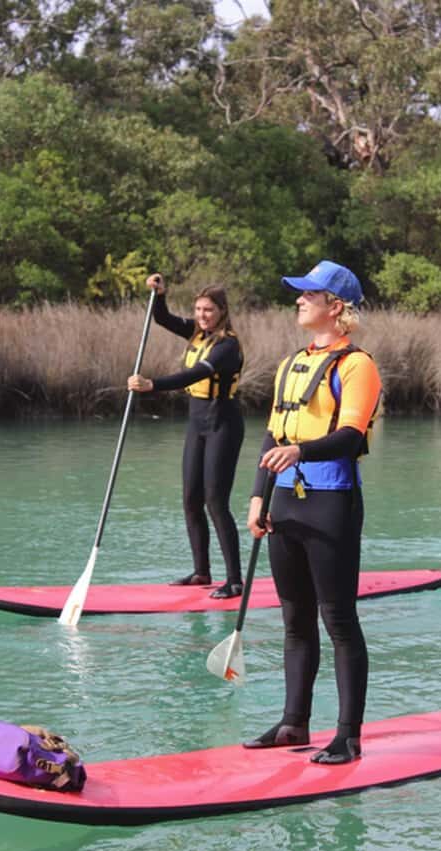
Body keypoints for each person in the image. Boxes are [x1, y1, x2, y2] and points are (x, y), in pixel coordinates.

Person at [244, 260, 382, 764]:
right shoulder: (289, 364)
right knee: (294, 620)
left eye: (309, 294)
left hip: (331, 504)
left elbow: (349, 436)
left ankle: (348, 735)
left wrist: (300, 453)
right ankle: (293, 723)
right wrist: (259, 497)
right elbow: (272, 435)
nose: (298, 300)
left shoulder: (357, 366)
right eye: (299, 293)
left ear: (336, 306)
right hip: (284, 504)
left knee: (338, 619)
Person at [128, 273, 244, 599]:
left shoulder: (227, 346)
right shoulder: (196, 333)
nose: (201, 315)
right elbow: (162, 317)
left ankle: (235, 580)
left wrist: (153, 385)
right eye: (197, 309)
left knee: (215, 501)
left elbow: (195, 374)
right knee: (191, 499)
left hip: (224, 424)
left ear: (221, 311)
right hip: (197, 424)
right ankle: (201, 571)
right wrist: (160, 294)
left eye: (208, 310)